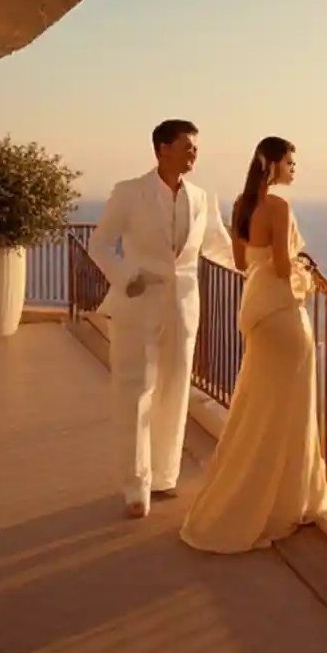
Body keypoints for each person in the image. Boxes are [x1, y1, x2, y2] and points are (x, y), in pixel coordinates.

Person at [180, 136, 327, 553]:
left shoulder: (242, 205)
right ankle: (278, 503)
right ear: (276, 164)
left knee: (259, 407)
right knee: (290, 408)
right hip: (282, 312)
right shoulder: (279, 207)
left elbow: (246, 263)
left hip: (256, 308)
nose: (294, 169)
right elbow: (282, 266)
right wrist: (304, 271)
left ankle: (249, 497)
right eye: (292, 162)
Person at [88, 119, 236, 519]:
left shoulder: (202, 198)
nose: (194, 153)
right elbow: (100, 243)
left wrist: (260, 265)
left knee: (174, 390)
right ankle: (136, 486)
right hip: (137, 306)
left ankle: (164, 476)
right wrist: (124, 277)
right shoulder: (129, 192)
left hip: (183, 308)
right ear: (162, 148)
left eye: (195, 147)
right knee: (134, 394)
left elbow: (218, 246)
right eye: (187, 146)